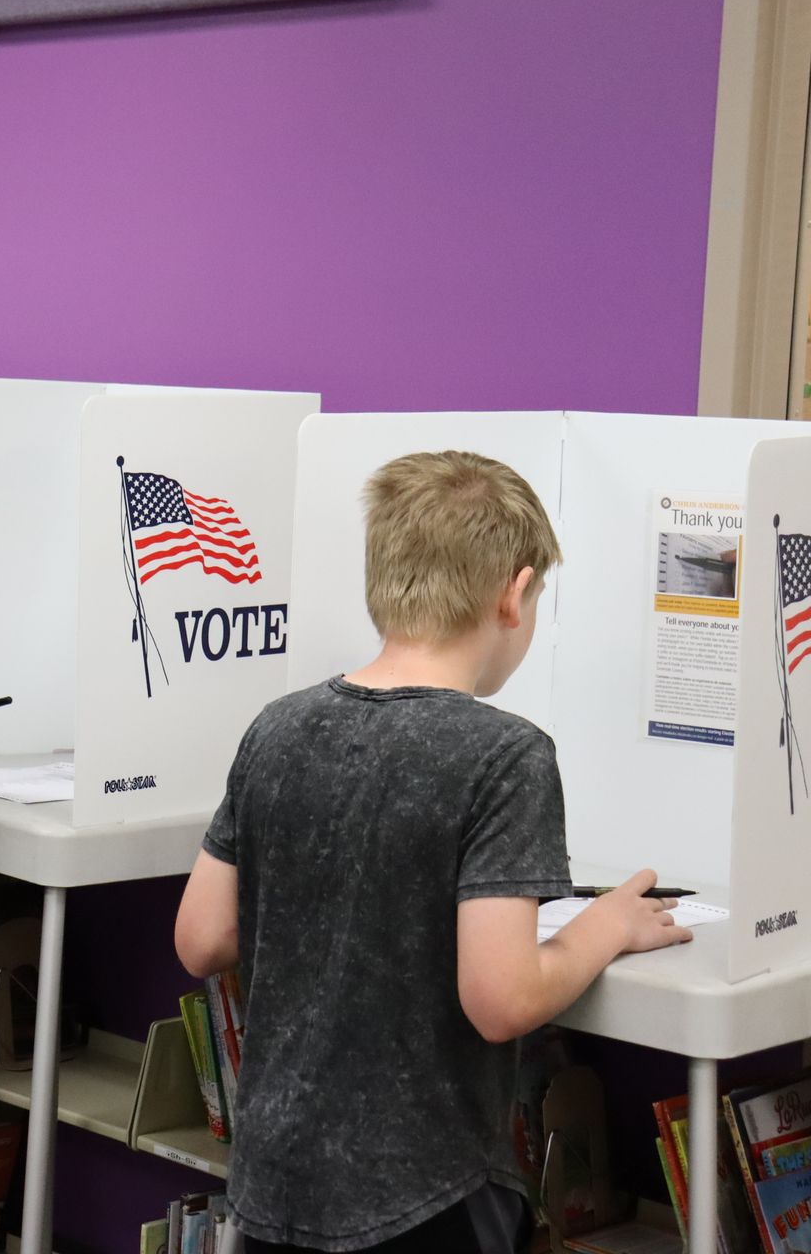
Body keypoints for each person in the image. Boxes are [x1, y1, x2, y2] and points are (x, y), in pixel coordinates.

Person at [174, 450, 693, 1254]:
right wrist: (606, 926)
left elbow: (202, 939)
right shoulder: (505, 755)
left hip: (273, 1181)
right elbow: (502, 998)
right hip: (425, 1197)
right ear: (514, 595)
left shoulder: (278, 725)